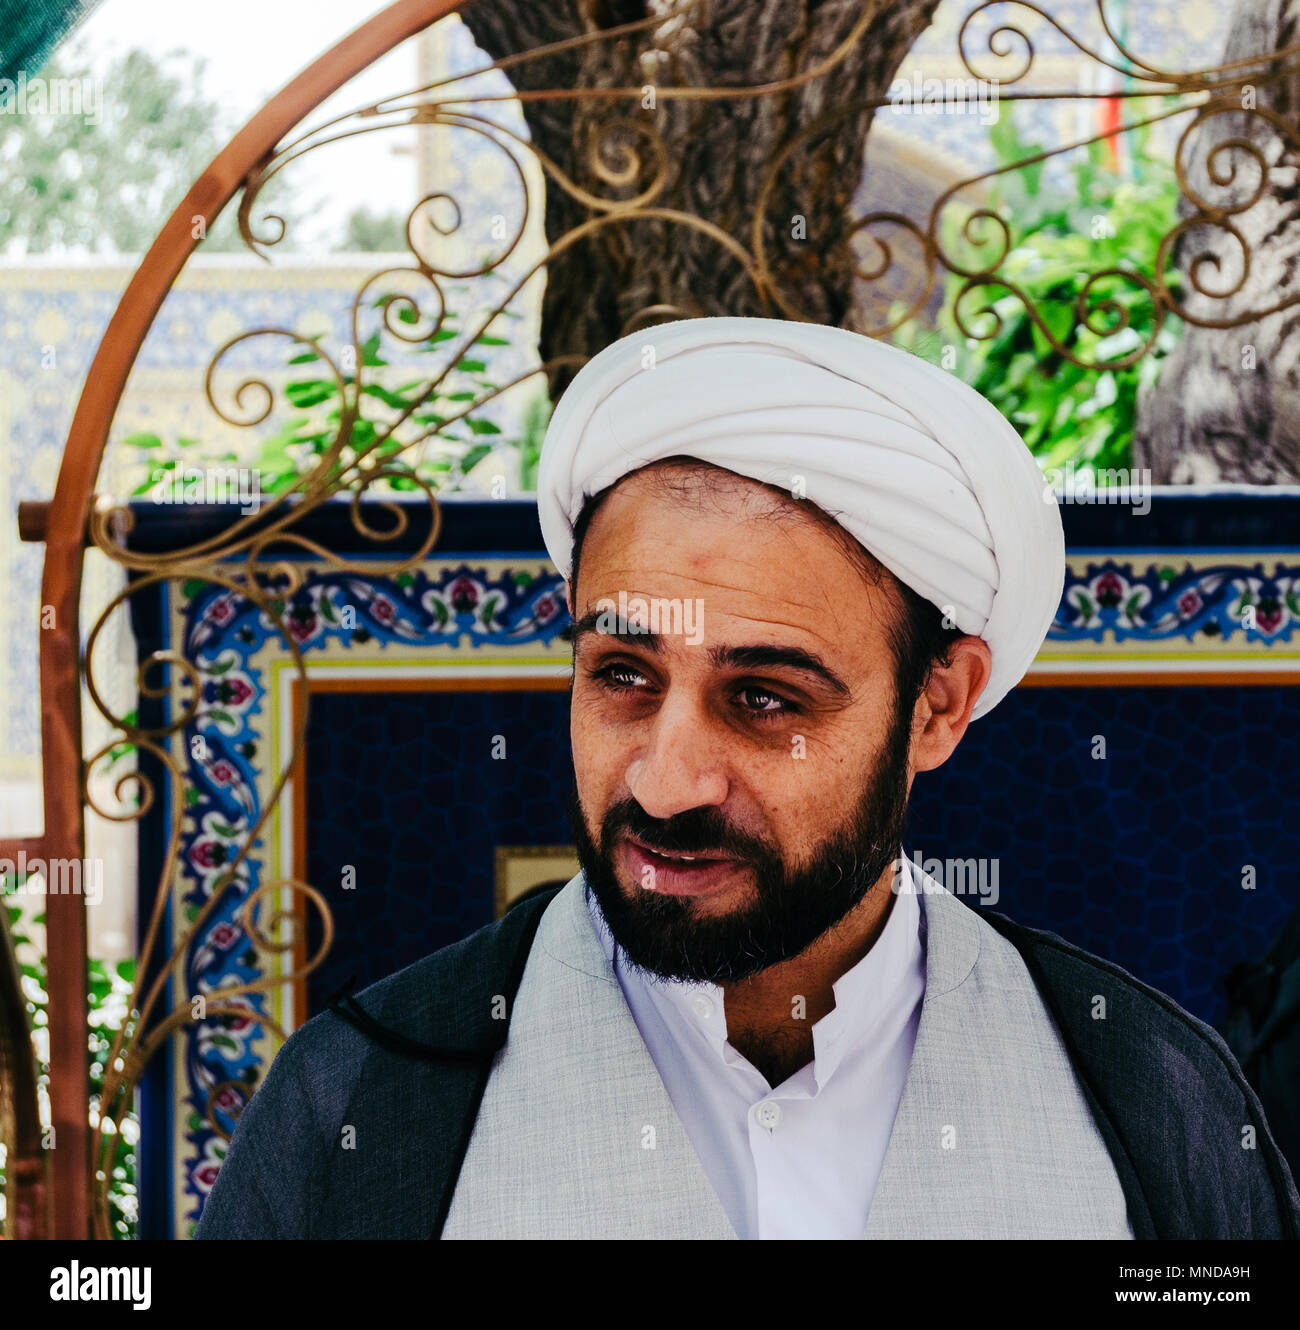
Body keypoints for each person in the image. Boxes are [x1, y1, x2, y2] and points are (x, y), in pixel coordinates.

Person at [196, 316, 1299, 1240]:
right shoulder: (360, 1105)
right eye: (622, 675)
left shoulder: (1152, 1098)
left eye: (765, 698)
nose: (668, 784)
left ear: (937, 706)